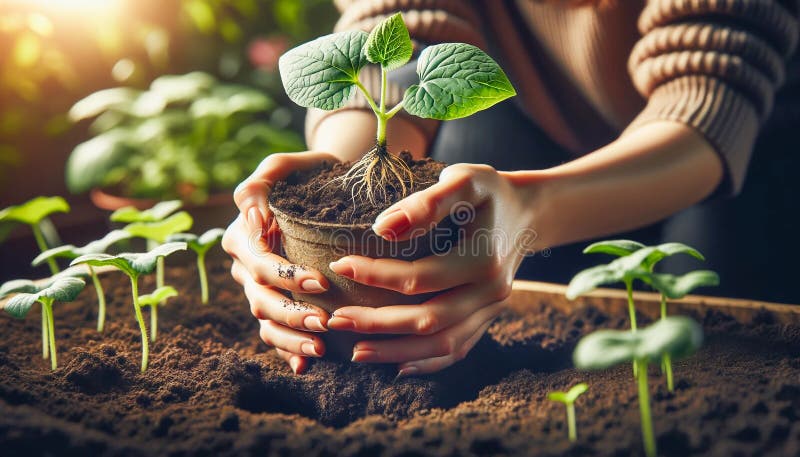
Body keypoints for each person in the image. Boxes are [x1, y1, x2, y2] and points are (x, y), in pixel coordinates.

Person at [223, 0, 800, 376]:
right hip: (530, 108)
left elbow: (711, 91)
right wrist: (340, 174)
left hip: (739, 135)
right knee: (468, 184)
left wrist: (531, 212)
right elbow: (399, 31)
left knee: (713, 298)